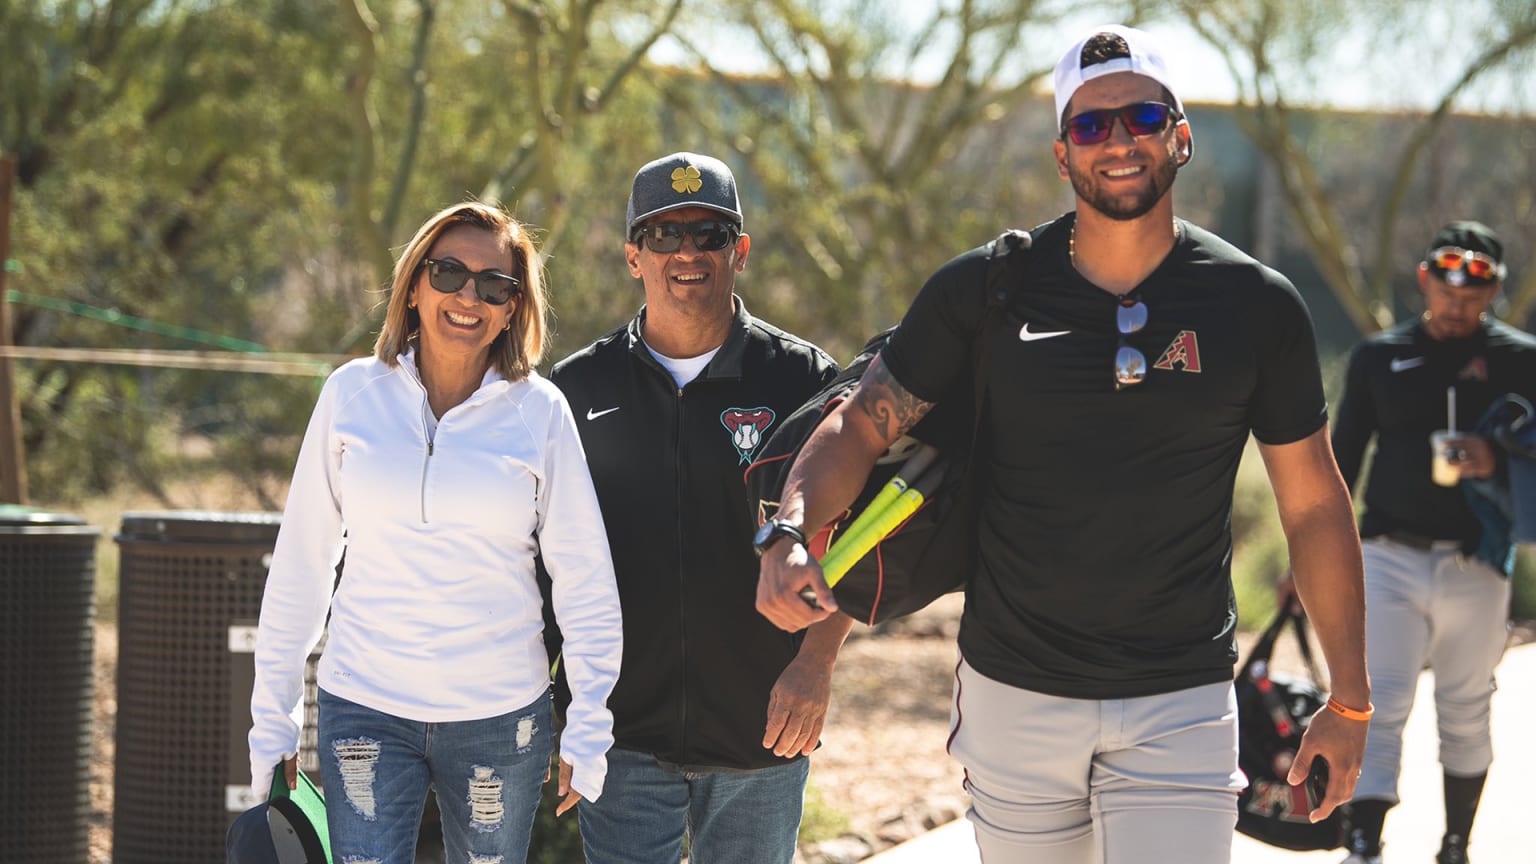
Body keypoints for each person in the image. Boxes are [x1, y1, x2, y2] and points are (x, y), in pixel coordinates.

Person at [756, 24, 1372, 864]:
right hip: (1015, 694)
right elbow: (860, 422)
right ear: (1061, 153)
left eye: (1141, 117)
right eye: (1091, 124)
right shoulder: (986, 290)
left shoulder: (1255, 306)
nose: (1117, 140)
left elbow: (1311, 504)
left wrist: (1352, 699)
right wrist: (791, 530)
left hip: (1181, 697)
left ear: (1180, 134)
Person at [245, 202, 623, 863]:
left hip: (499, 718)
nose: (467, 296)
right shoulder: (351, 396)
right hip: (363, 710)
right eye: (448, 273)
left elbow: (585, 575)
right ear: (414, 284)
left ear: (513, 307)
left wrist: (590, 723)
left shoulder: (541, 413)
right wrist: (270, 721)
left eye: (493, 285)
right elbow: (301, 567)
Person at [548, 151, 849, 864]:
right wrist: (558, 716)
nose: (688, 251)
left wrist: (817, 664)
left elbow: (850, 537)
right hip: (620, 739)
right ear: (632, 255)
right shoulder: (574, 390)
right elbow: (540, 561)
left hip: (762, 732)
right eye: (663, 235)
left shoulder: (802, 380)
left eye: (709, 233)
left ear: (738, 251)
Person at [1329, 221, 1536, 864]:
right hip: (1388, 552)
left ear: (1494, 289)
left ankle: (1455, 845)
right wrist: (1310, 564)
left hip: (1477, 556)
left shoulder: (1522, 359)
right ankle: (1364, 844)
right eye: (1446, 288)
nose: (1457, 304)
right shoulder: (1377, 356)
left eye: (1473, 293)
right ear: (1424, 279)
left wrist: (1494, 463)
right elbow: (1337, 464)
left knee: (1467, 707)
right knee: (1377, 700)